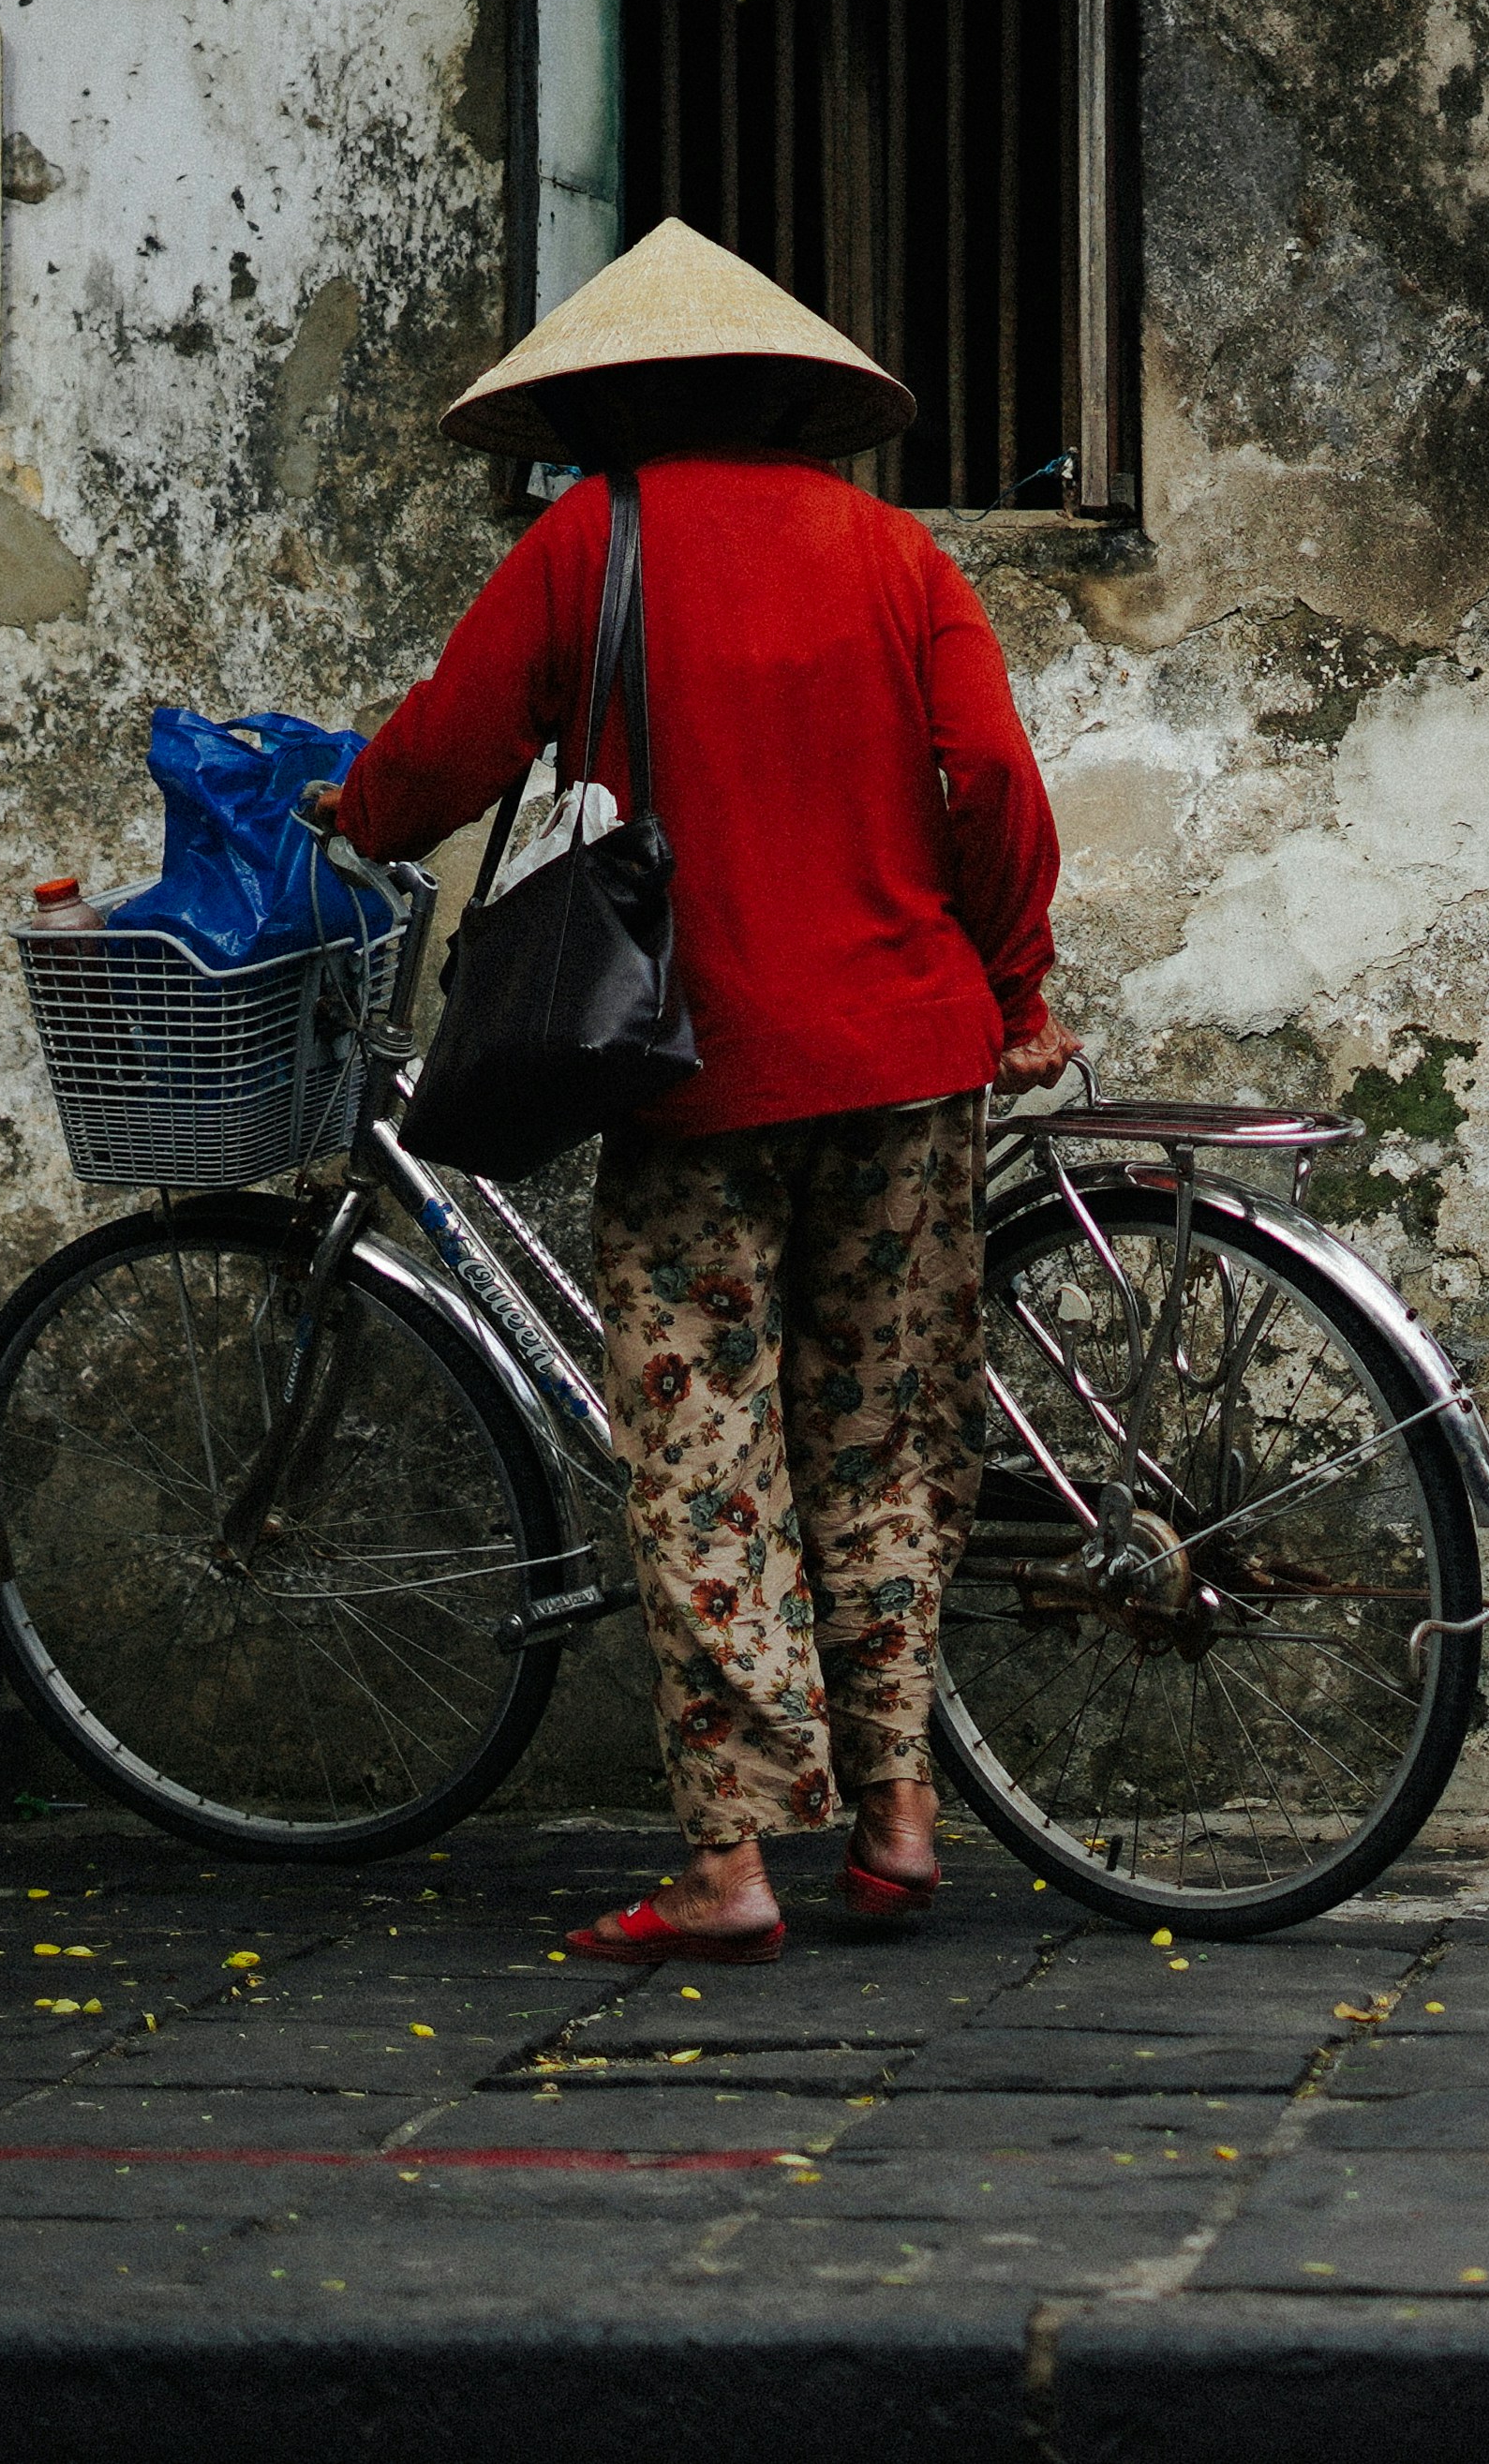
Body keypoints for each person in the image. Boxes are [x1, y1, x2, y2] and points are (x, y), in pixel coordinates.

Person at [332, 220, 1076, 1968]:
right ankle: (897, 1822)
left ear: (608, 403)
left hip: (694, 1074)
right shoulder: (893, 551)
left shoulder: (587, 542)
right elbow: (992, 779)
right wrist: (1016, 982)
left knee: (704, 1448)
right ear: (787, 398)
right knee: (883, 1436)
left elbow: (446, 750)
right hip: (907, 1059)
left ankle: (734, 1865)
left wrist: (351, 820)